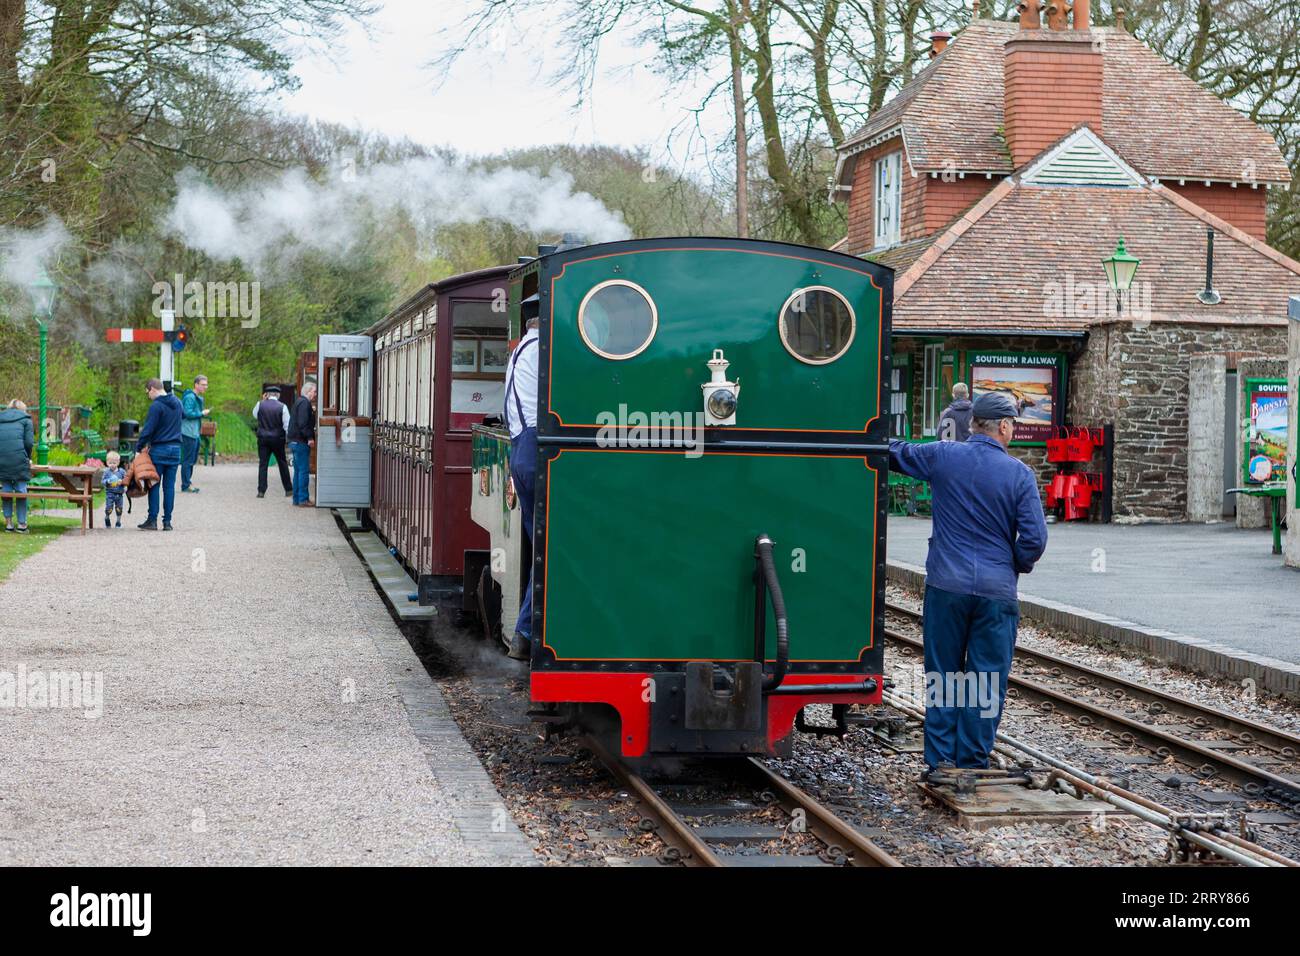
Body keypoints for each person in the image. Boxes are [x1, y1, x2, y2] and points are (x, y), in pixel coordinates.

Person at [889, 391, 1048, 773]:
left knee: (943, 674)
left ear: (973, 423)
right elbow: (1034, 540)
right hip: (996, 593)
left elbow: (896, 453)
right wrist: (1013, 564)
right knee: (986, 679)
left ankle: (940, 762)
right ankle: (972, 760)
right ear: (1005, 426)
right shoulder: (1020, 475)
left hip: (947, 586)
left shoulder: (944, 456)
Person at [503, 296, 539, 661]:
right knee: (551, 549)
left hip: (521, 449)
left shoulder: (519, 352)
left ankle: (525, 634)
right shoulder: (545, 350)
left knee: (543, 546)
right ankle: (526, 631)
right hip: (533, 450)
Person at [135, 379, 183, 531]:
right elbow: (184, 417)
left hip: (160, 450)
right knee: (169, 487)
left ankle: (152, 520)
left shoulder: (156, 406)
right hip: (175, 450)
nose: (148, 396)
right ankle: (167, 522)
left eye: (147, 392)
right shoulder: (177, 402)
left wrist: (139, 448)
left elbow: (148, 429)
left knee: (154, 485)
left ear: (152, 389)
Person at [0, 399, 34, 534]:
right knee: (21, 489)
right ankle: (22, 524)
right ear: (22, 409)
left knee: (6, 489)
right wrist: (28, 458)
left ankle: (8, 524)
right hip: (19, 459)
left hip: (1, 459)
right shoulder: (26, 420)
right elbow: (29, 443)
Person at [252, 386, 291, 499]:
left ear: (267, 395)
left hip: (263, 438)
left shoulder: (260, 404)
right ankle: (288, 489)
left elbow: (255, 415)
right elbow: (287, 425)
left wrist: (263, 400)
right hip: (278, 439)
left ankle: (261, 491)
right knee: (282, 463)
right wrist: (289, 439)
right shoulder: (283, 407)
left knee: (263, 464)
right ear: (278, 395)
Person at [287, 381, 317, 506]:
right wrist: (310, 437)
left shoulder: (298, 402)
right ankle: (303, 499)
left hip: (293, 441)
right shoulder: (305, 403)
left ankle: (296, 499)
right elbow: (303, 423)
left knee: (298, 471)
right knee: (304, 471)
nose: (315, 394)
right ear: (308, 391)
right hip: (301, 442)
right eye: (314, 391)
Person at [180, 374, 210, 493]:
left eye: (206, 385)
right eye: (203, 384)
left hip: (194, 433)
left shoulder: (196, 397)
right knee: (188, 460)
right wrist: (202, 413)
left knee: (192, 459)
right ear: (196, 385)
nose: (205, 387)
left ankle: (188, 482)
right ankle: (185, 485)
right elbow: (187, 413)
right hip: (188, 433)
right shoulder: (190, 397)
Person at [101, 451, 127, 528]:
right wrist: (108, 481)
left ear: (118, 462)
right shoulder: (107, 472)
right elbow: (102, 481)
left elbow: (126, 480)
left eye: (114, 463)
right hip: (110, 494)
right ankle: (107, 517)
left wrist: (123, 483)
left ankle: (118, 522)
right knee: (109, 508)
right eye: (110, 463)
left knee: (119, 509)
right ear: (107, 463)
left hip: (119, 494)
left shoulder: (121, 472)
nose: (112, 465)